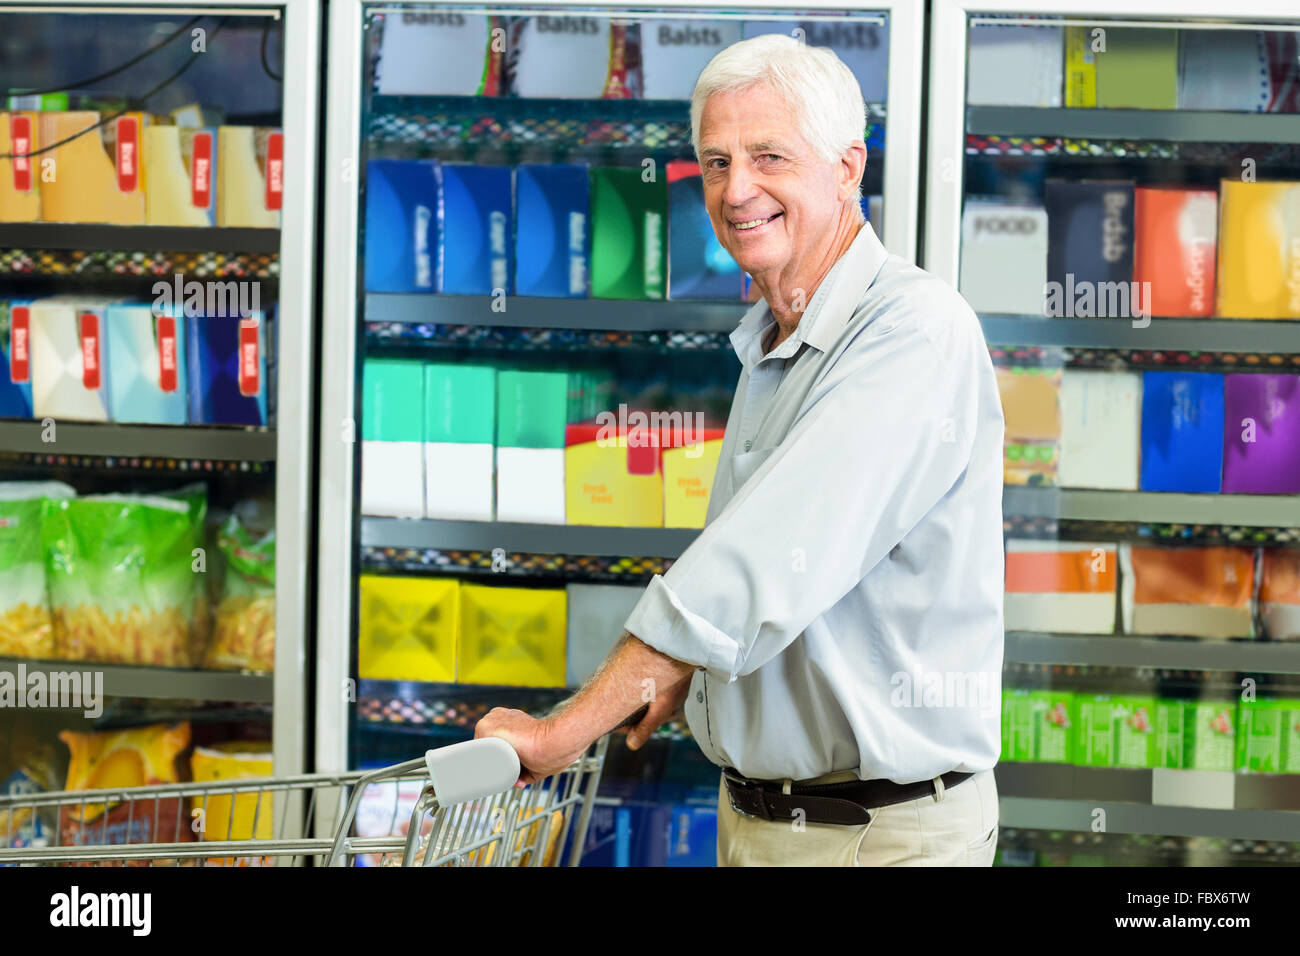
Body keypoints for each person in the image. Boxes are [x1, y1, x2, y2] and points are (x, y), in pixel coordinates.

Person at [475, 34, 1005, 867]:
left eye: (768, 156)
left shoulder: (913, 331)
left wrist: (560, 734)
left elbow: (757, 568)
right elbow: (784, 586)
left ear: (847, 168)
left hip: (878, 839)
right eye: (716, 162)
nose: (736, 189)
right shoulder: (773, 340)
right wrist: (674, 673)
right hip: (763, 825)